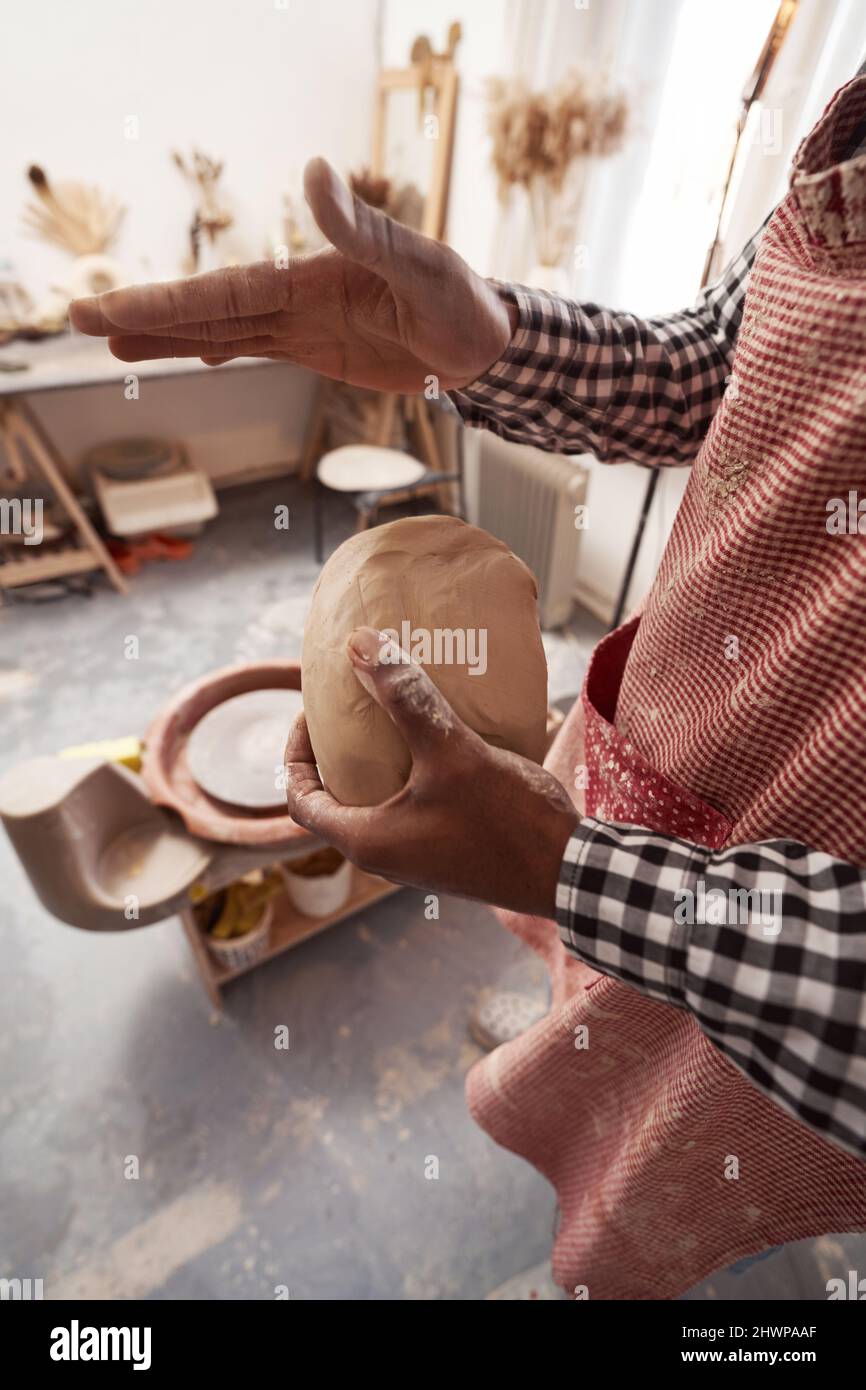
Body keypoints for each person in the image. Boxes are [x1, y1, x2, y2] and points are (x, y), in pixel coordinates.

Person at [71, 68, 866, 1296]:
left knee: (684, 1135)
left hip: (802, 978)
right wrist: (492, 339)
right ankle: (573, 1035)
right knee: (592, 991)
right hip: (671, 748)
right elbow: (721, 366)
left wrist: (574, 869)